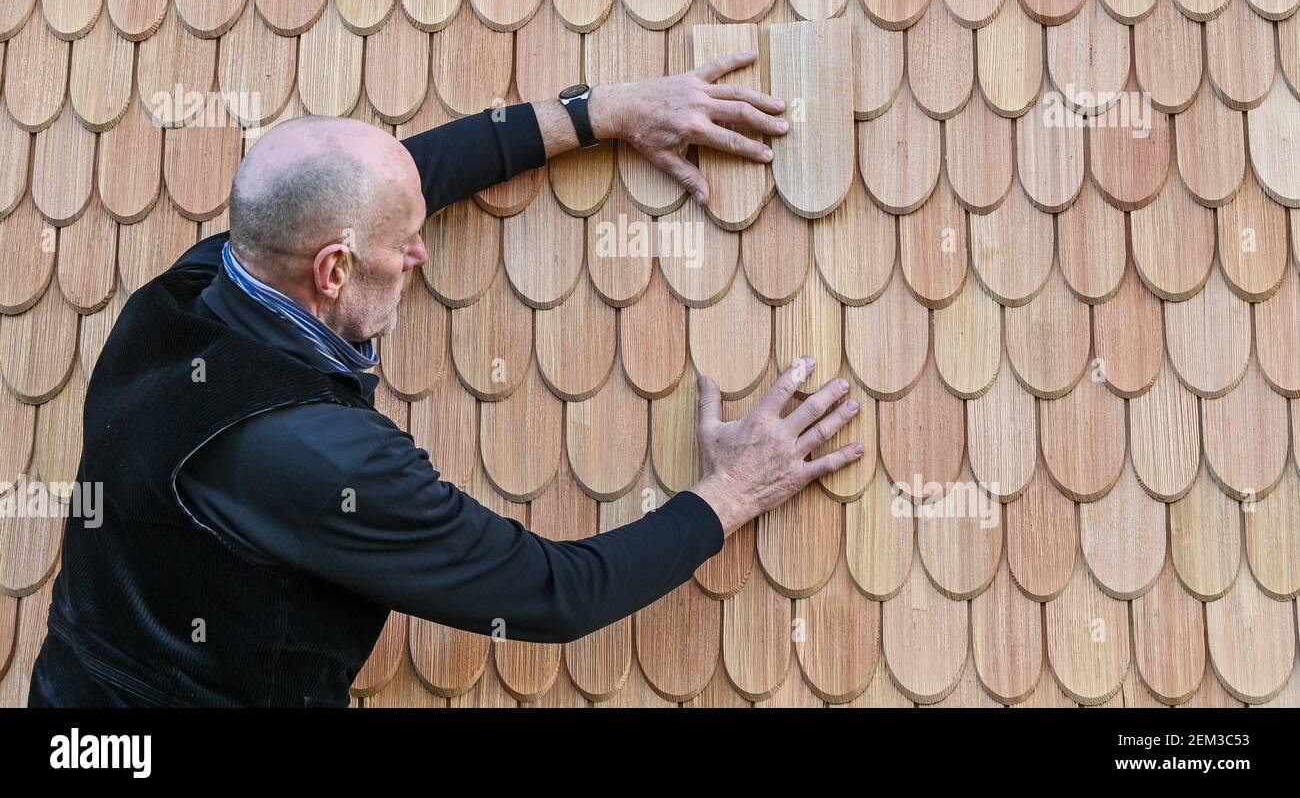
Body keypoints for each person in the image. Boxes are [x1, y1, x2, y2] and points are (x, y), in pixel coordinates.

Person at [28, 52, 863, 707]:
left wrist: (599, 112)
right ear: (332, 268)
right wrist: (737, 489)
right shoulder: (321, 458)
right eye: (404, 247)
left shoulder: (187, 292)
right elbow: (554, 595)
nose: (421, 255)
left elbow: (386, 179)